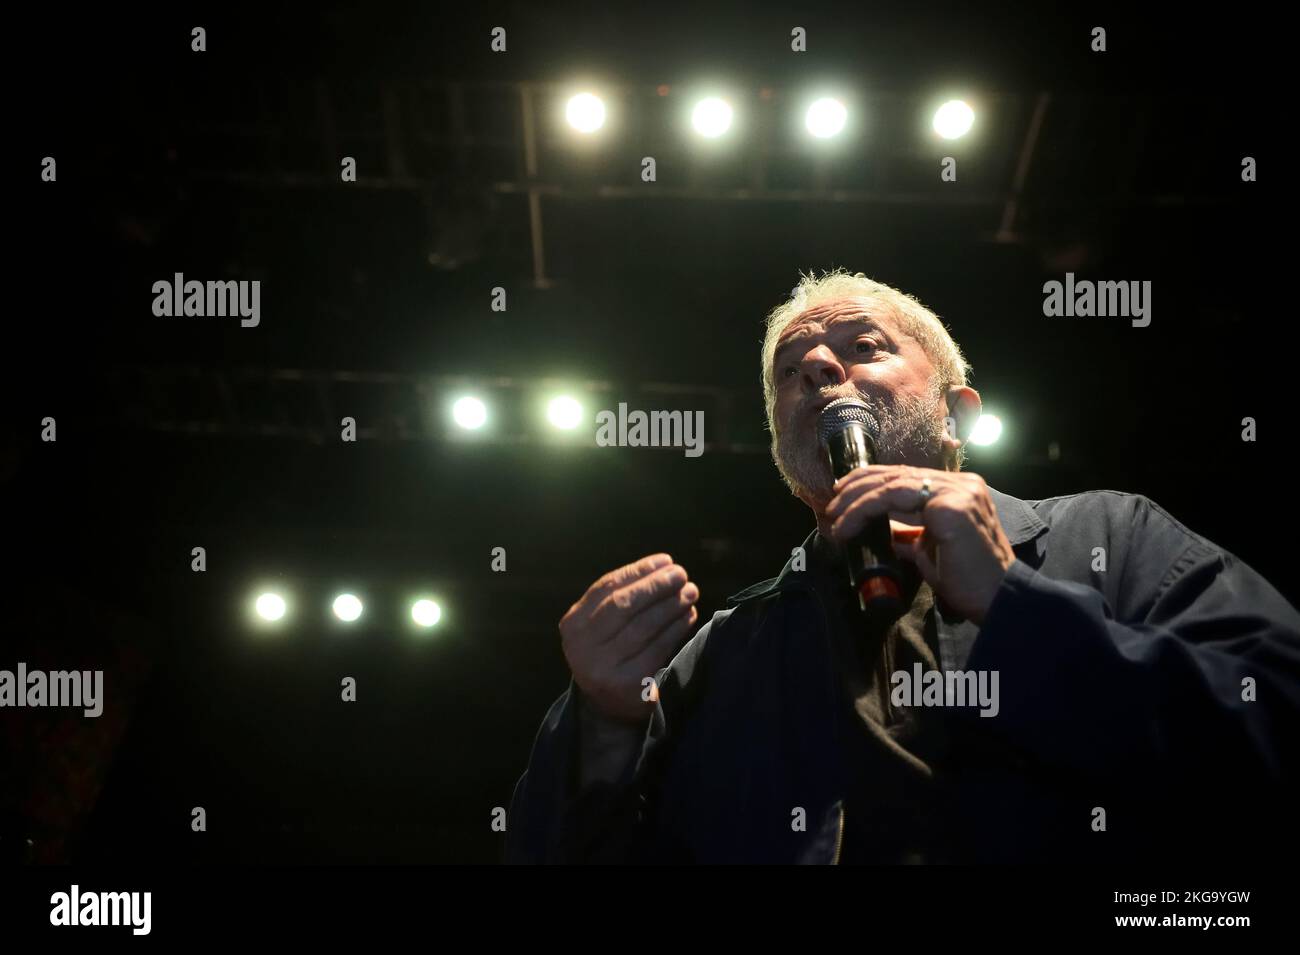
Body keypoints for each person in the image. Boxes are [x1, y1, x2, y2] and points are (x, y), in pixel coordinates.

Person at [505, 268, 1300, 864]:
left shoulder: (1109, 537)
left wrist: (1017, 605)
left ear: (958, 412)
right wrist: (603, 723)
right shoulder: (720, 652)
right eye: (791, 369)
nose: (817, 369)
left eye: (863, 348)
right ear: (784, 451)